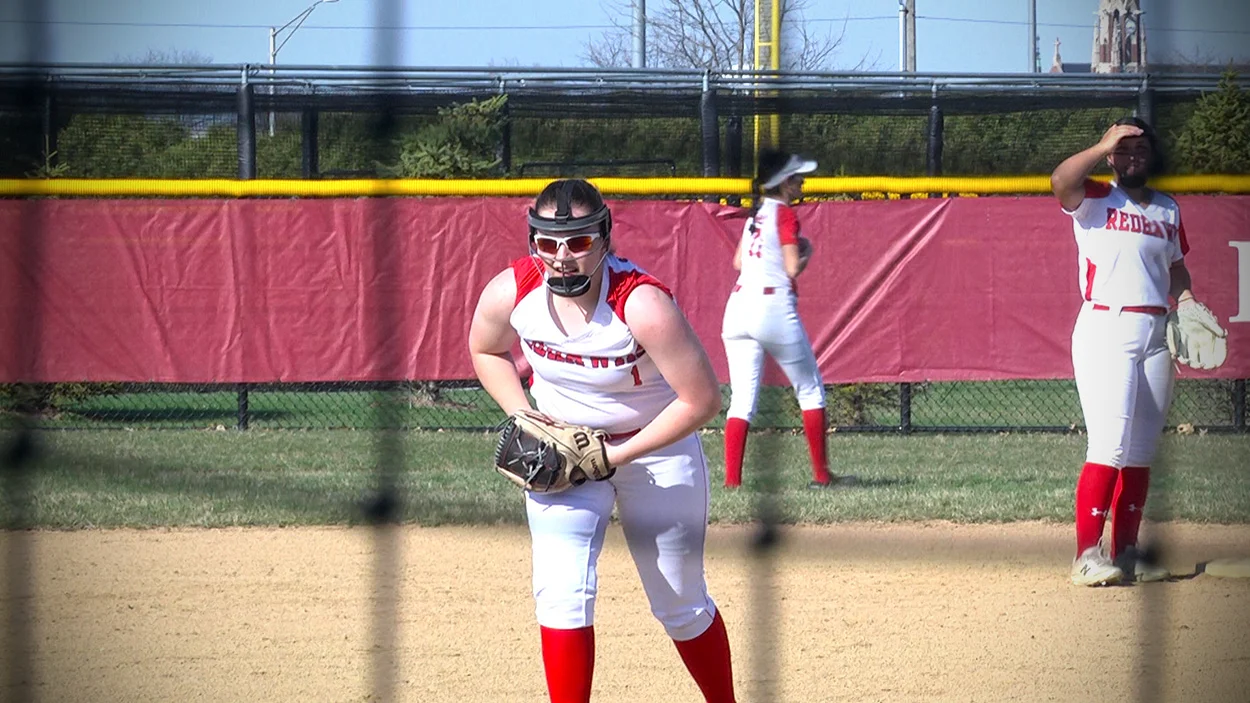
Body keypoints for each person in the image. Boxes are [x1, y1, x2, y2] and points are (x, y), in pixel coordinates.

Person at [468, 179, 737, 702]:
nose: (562, 257)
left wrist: (612, 457)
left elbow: (702, 400)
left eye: (579, 241)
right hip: (563, 459)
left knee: (678, 603)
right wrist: (527, 418)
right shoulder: (513, 291)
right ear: (532, 242)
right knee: (560, 595)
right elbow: (485, 348)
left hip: (654, 450)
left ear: (605, 237)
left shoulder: (641, 304)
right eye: (548, 243)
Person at [1051, 116, 1208, 586]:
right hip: (1106, 325)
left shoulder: (1167, 208)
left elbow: (1176, 268)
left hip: (1156, 331)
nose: (1131, 156)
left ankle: (1127, 551)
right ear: (1112, 156)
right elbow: (1060, 181)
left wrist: (1187, 300)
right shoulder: (1096, 196)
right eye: (1124, 149)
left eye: (1140, 149)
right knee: (1110, 445)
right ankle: (1085, 555)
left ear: (1152, 157)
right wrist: (1103, 144)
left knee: (1141, 450)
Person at [721, 149, 850, 489]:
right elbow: (793, 267)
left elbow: (738, 263)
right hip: (772, 307)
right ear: (782, 182)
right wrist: (806, 252)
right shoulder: (784, 214)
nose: (802, 181)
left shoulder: (755, 215)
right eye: (796, 177)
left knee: (742, 400)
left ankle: (732, 482)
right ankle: (822, 476)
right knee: (810, 391)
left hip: (737, 307)